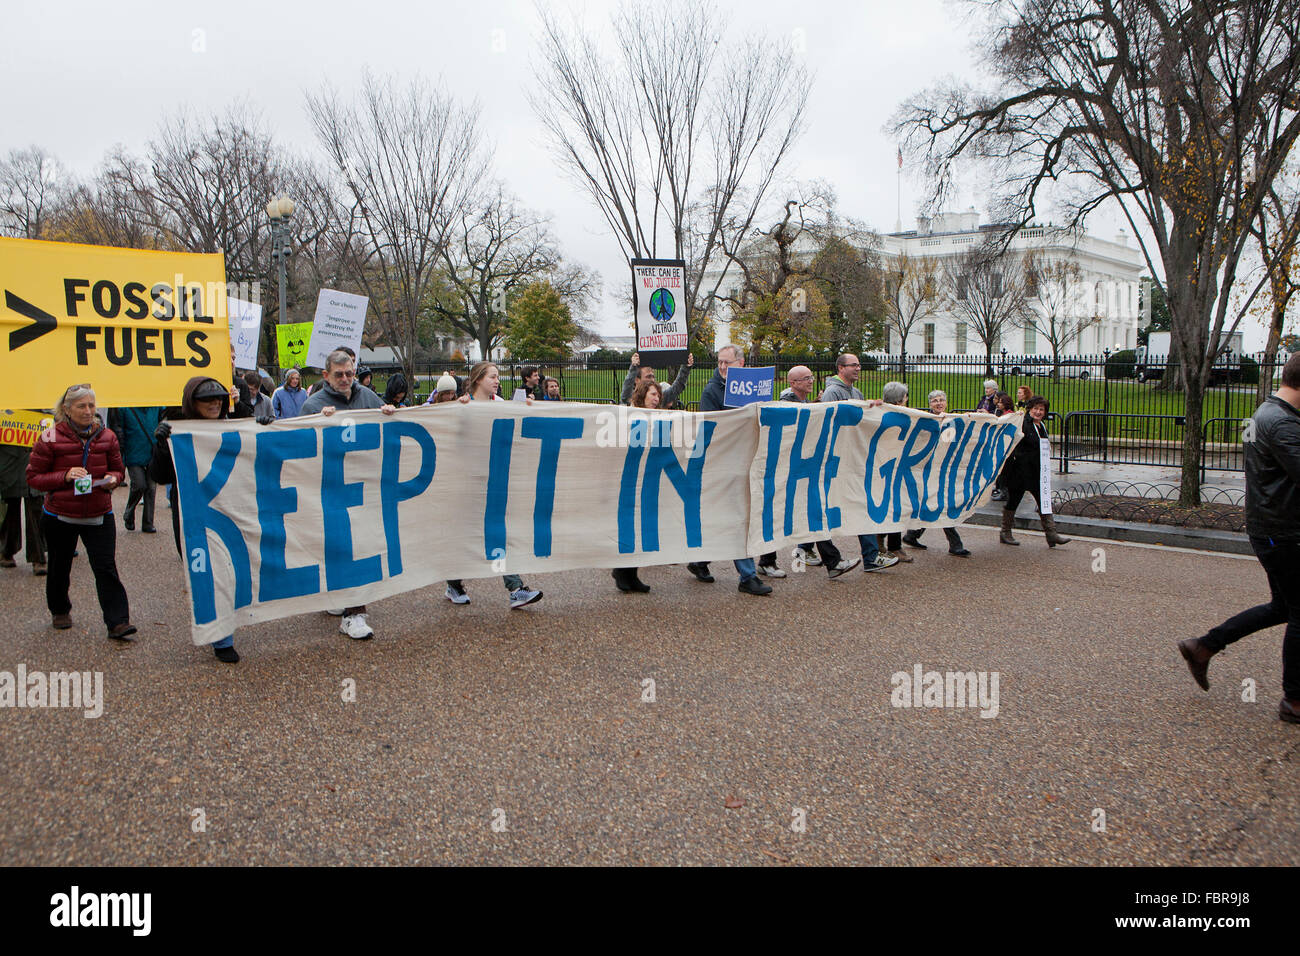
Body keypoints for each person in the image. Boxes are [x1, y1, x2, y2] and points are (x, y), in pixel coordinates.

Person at [1180, 353, 1300, 724]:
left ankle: (1204, 646)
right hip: (1284, 533)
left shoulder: (1271, 413)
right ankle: (1294, 701)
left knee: (1284, 607)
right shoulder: (1281, 423)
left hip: (1274, 529)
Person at [25, 384, 136, 641]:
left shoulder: (107, 436)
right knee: (59, 566)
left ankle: (118, 622)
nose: (88, 411)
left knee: (106, 568)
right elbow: (34, 477)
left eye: (91, 406)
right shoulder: (49, 437)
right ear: (67, 409)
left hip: (99, 514)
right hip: (60, 515)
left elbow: (119, 470)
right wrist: (64, 476)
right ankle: (60, 610)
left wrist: (113, 479)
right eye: (81, 406)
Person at [301, 350, 399, 639]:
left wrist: (389, 414)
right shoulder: (312, 405)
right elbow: (301, 446)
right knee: (337, 547)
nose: (345, 379)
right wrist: (318, 422)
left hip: (363, 486)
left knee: (360, 546)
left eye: (349, 373)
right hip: (330, 486)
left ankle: (354, 613)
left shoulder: (368, 396)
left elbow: (386, 429)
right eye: (338, 375)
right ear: (325, 375)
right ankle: (340, 597)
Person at [150, 377, 247, 662]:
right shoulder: (177, 432)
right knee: (206, 571)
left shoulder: (237, 422)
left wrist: (263, 424)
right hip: (195, 514)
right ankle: (221, 637)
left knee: (232, 571)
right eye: (207, 399)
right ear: (192, 403)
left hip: (233, 511)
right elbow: (160, 476)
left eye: (218, 398)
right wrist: (160, 446)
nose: (215, 403)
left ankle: (227, 623)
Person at [445, 362, 544, 610]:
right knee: (466, 536)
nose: (497, 381)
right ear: (478, 379)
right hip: (468, 481)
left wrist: (531, 409)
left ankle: (515, 588)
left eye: (498, 377)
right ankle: (453, 583)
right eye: (493, 376)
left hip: (495, 479)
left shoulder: (501, 404)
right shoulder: (462, 406)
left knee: (499, 531)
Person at [760, 365, 861, 579]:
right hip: (784, 470)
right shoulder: (785, 403)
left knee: (813, 512)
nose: (811, 381)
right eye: (806, 378)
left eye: (811, 377)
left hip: (801, 469)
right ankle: (766, 561)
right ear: (793, 383)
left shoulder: (804, 402)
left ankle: (832, 562)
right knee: (777, 513)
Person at [691, 345, 772, 595]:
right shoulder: (711, 390)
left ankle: (699, 560)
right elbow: (709, 426)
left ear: (741, 363)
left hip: (746, 459)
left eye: (728, 362)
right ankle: (747, 576)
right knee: (738, 517)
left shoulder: (753, 387)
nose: (723, 367)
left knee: (724, 517)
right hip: (724, 462)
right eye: (720, 363)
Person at [611, 381, 667, 593]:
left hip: (647, 477)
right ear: (643, 394)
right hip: (629, 478)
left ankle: (632, 574)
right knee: (628, 527)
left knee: (640, 528)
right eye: (653, 394)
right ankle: (622, 571)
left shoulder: (657, 417)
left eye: (658, 395)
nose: (657, 398)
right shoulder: (629, 415)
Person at [900, 390, 971, 556]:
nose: (939, 403)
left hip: (941, 470)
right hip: (927, 469)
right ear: (930, 404)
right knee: (940, 504)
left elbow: (946, 445)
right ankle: (955, 544)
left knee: (934, 503)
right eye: (935, 401)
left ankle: (912, 535)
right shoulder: (926, 421)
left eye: (941, 400)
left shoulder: (950, 422)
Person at [1000, 395, 1070, 547]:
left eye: (1041, 409)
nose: (1038, 412)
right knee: (1014, 501)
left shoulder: (1041, 426)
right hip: (1020, 472)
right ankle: (1005, 532)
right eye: (1035, 409)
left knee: (1044, 501)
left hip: (1036, 473)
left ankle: (1051, 534)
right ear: (1029, 409)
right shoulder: (1024, 424)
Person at [876, 380, 915, 563]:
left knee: (896, 506)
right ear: (900, 400)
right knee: (889, 506)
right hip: (885, 467)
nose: (907, 400)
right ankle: (884, 542)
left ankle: (891, 544)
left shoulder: (905, 414)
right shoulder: (881, 414)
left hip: (899, 466)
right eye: (905, 397)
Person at [110, 405, 162, 533]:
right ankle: (129, 512)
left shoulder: (158, 406)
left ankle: (148, 523)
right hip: (133, 451)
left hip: (152, 451)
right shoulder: (125, 408)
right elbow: (118, 429)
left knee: (151, 488)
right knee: (139, 485)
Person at [1, 433, 47, 575]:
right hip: (8, 460)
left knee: (36, 510)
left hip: (35, 458)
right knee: (10, 510)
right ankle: (7, 551)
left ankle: (38, 557)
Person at [621, 352, 694, 406]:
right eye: (648, 377)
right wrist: (633, 367)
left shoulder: (659, 399)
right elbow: (627, 389)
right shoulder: (631, 400)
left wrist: (686, 367)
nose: (652, 380)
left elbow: (678, 387)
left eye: (653, 377)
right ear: (637, 380)